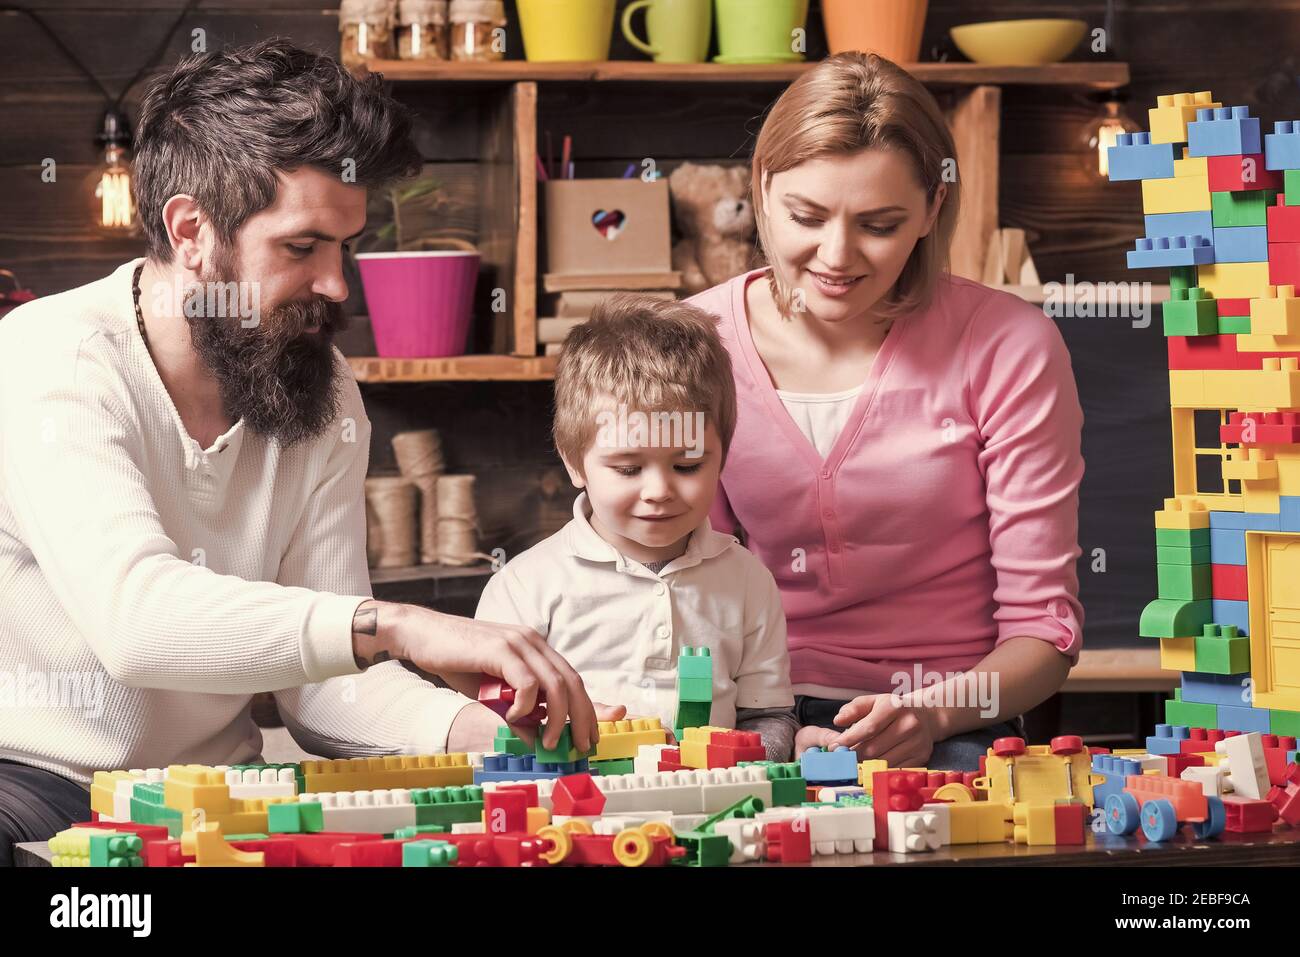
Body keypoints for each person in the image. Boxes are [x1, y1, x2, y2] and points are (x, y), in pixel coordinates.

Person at [0, 38, 597, 865]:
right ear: (193, 231)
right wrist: (395, 624)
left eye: (344, 246)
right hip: (41, 785)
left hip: (218, 796)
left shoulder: (320, 387)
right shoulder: (48, 356)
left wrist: (479, 734)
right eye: (301, 247)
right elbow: (135, 619)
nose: (338, 285)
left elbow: (320, 687)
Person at [685, 52, 1086, 771]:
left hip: (956, 711)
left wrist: (930, 712)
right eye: (806, 216)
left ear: (934, 208)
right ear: (763, 189)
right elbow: (686, 591)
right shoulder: (693, 344)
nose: (836, 256)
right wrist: (760, 720)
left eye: (880, 223)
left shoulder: (1008, 345)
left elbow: (1045, 634)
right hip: (749, 706)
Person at [444, 295, 800, 760]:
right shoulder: (523, 586)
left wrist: (744, 764)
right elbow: (494, 722)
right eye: (629, 469)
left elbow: (767, 717)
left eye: (688, 465)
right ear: (575, 463)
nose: (659, 490)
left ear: (722, 456)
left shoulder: (749, 581)